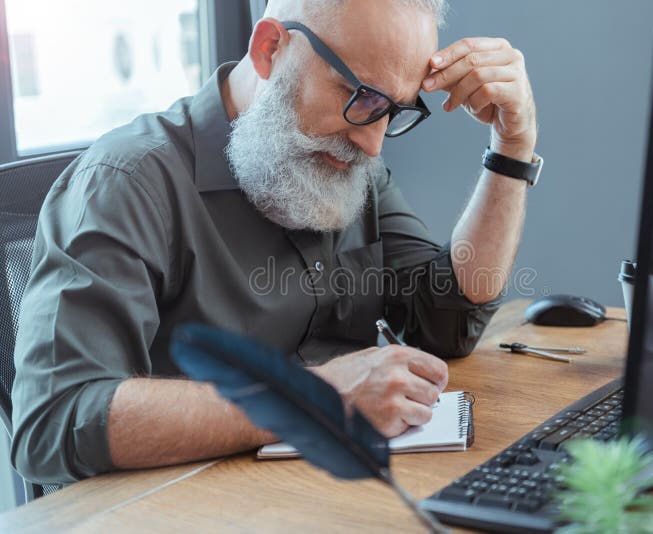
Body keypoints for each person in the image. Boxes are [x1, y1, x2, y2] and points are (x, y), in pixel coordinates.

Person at [11, 0, 539, 485]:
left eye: (393, 111)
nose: (373, 143)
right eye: (361, 95)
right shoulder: (126, 183)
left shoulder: (349, 162)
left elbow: (445, 320)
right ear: (269, 48)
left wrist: (512, 149)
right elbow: (55, 421)